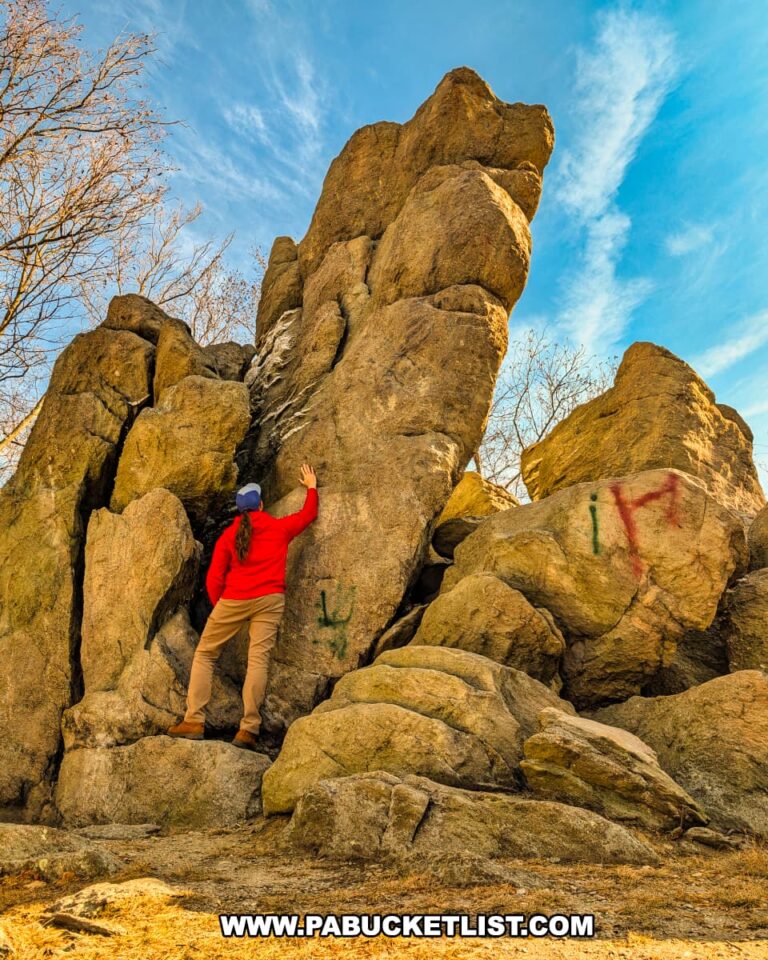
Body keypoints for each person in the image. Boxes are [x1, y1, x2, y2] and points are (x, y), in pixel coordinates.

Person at [167, 463, 319, 750]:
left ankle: (194, 721)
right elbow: (307, 515)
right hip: (271, 600)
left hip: (234, 599)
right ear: (261, 505)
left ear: (240, 510)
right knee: (257, 660)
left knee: (205, 654)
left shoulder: (230, 536)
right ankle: (248, 729)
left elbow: (214, 577)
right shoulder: (277, 527)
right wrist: (311, 487)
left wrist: (220, 606)